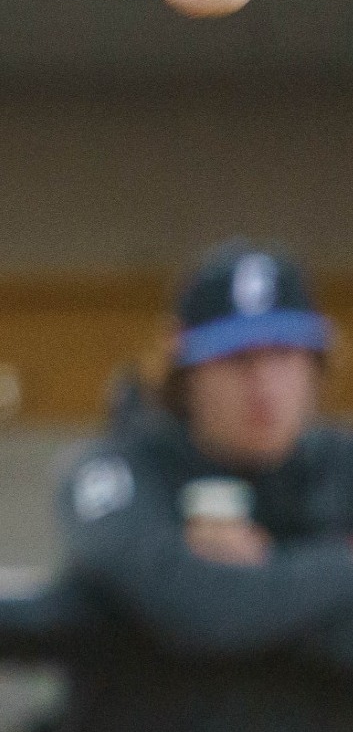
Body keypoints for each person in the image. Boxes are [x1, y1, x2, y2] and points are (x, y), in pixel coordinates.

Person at [57, 240, 353, 732]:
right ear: (186, 371)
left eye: (283, 354)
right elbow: (193, 609)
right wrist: (341, 566)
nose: (263, 387)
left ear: (314, 365)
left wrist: (259, 583)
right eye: (236, 359)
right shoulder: (117, 467)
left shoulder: (340, 466)